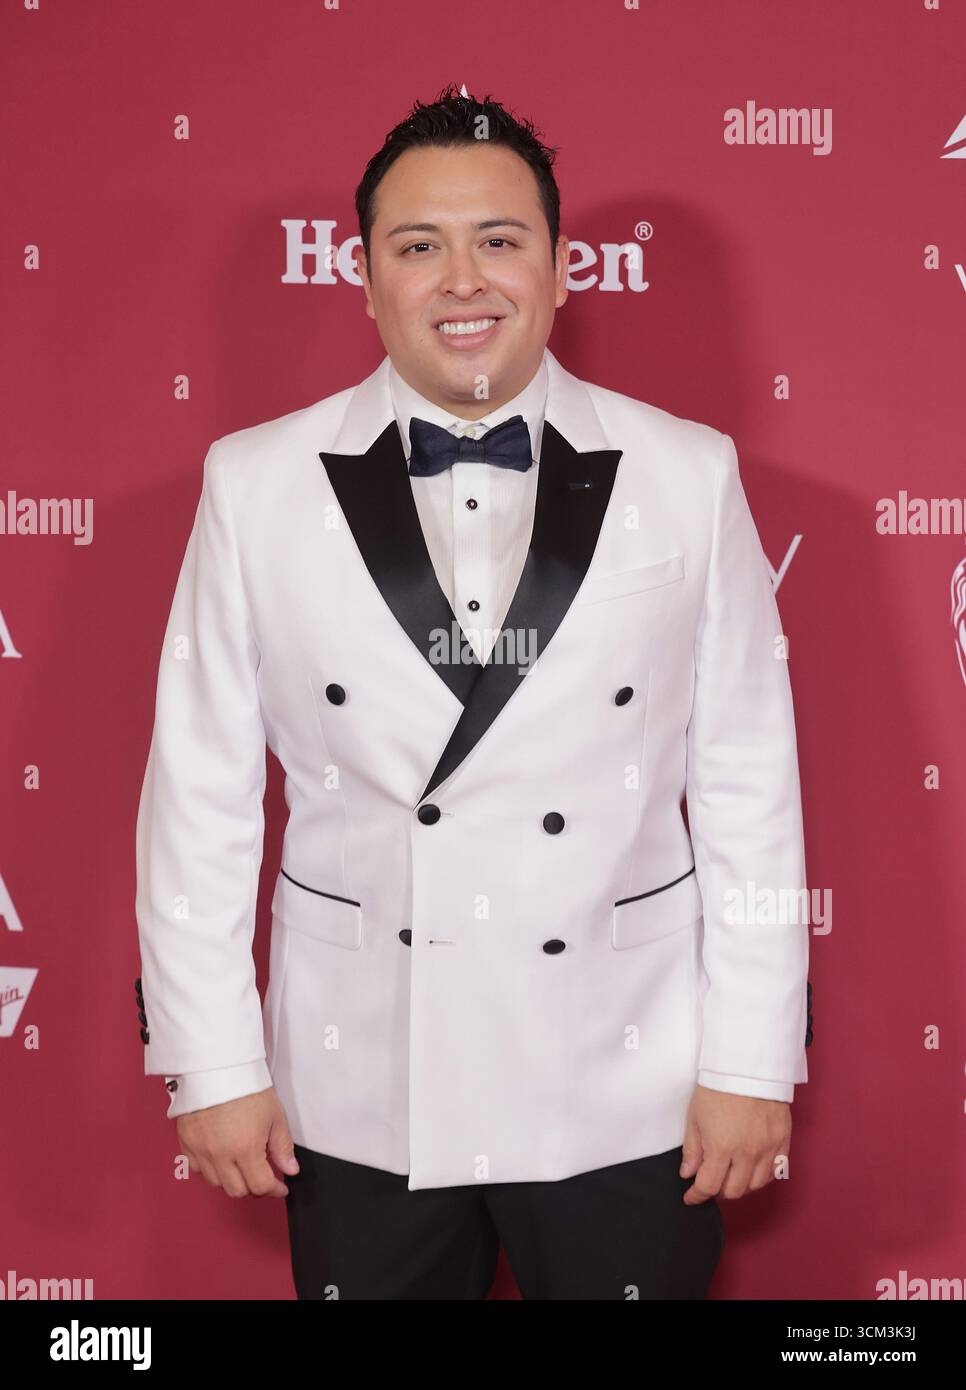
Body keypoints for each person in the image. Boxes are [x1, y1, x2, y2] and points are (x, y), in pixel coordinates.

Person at [134, 84, 812, 1300]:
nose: (464, 279)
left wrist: (755, 1057)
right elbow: (201, 797)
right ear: (365, 277)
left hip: (627, 1076)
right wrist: (210, 1057)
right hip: (364, 1080)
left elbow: (750, 784)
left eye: (499, 240)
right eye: (418, 245)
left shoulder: (689, 473)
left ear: (559, 269)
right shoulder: (253, 483)